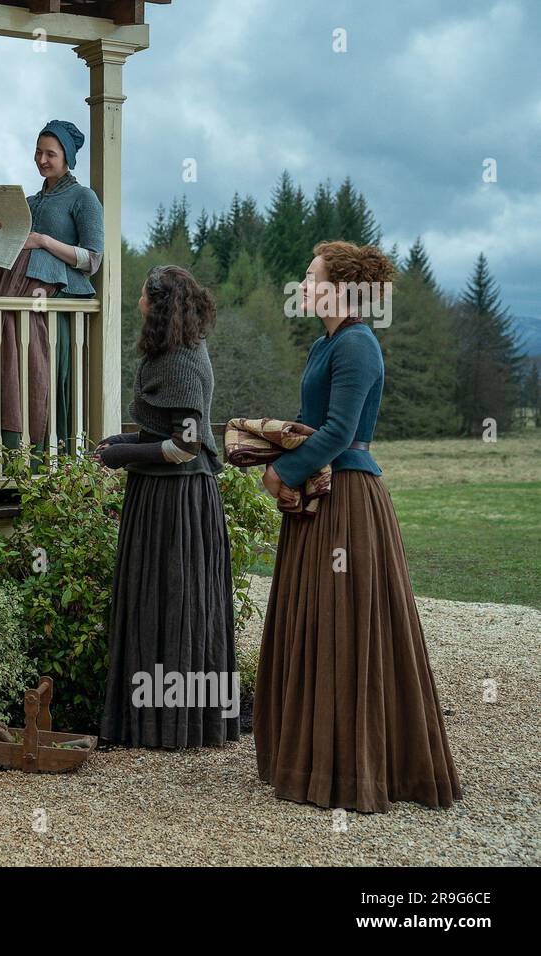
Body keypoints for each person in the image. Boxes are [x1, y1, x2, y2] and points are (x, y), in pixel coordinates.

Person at [256, 241, 462, 812]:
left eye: (310, 274)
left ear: (340, 288)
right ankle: (312, 758)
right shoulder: (326, 342)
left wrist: (281, 472)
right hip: (321, 498)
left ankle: (356, 772)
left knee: (345, 627)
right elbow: (319, 423)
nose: (302, 281)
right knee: (319, 622)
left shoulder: (357, 344)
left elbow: (343, 431)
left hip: (346, 500)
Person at [95, 266, 239, 748]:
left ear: (157, 306)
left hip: (178, 503)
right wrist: (124, 441)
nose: (137, 300)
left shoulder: (181, 360)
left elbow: (188, 445)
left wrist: (122, 456)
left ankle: (174, 725)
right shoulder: (171, 350)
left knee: (175, 601)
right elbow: (163, 432)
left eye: (142, 294)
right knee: (153, 600)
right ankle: (149, 721)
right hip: (158, 494)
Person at [0, 120, 103, 475]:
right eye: (38, 152)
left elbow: (92, 259)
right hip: (8, 294)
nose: (42, 160)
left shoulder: (83, 198)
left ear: (67, 158)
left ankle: (28, 468)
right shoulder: (29, 202)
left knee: (30, 378)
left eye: (51, 154)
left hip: (48, 304)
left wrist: (43, 240)